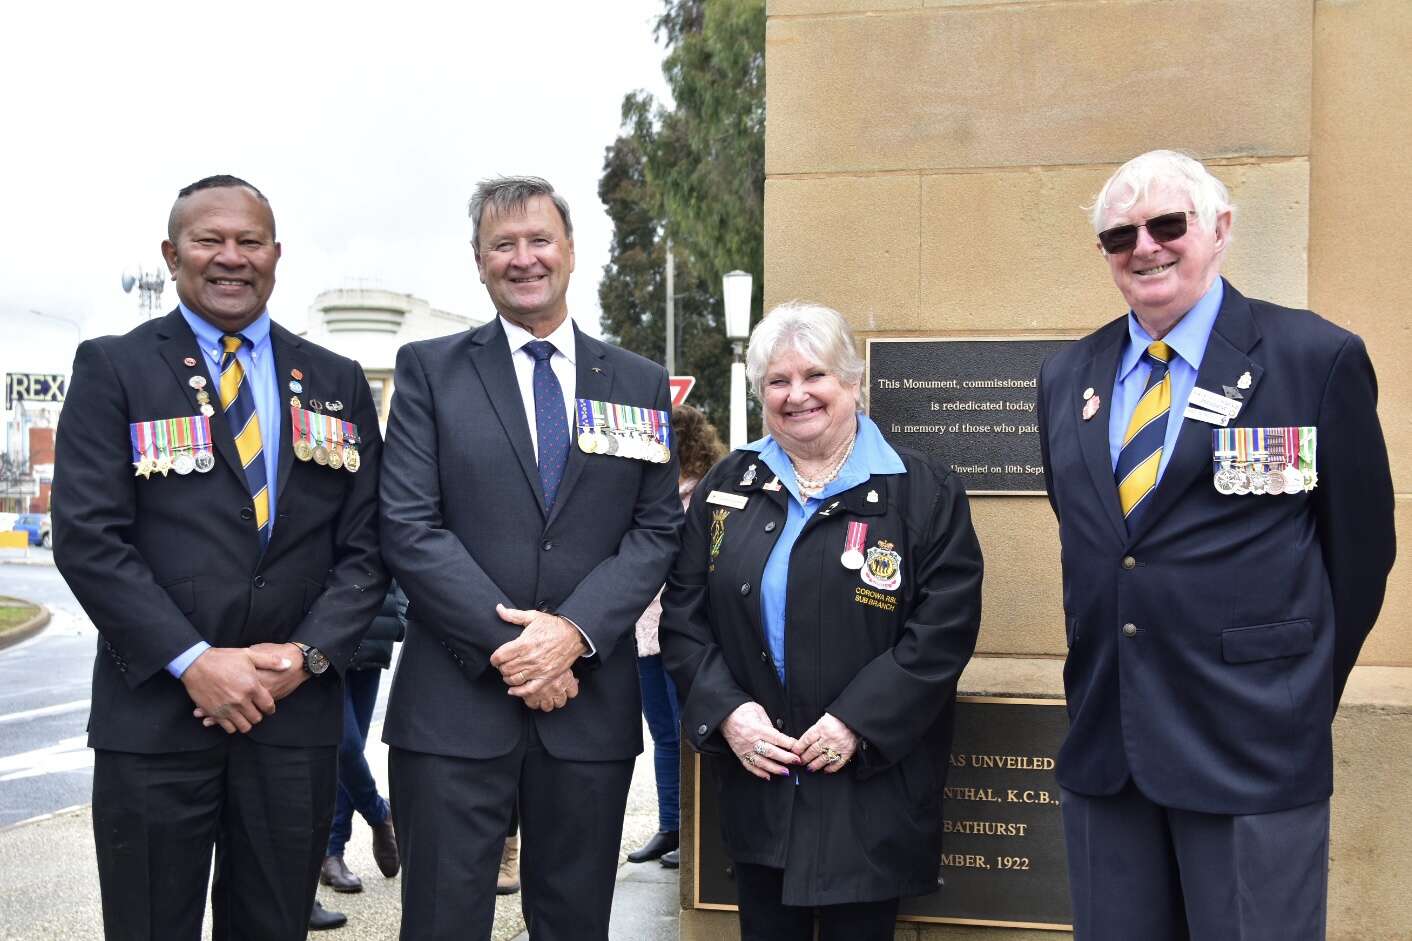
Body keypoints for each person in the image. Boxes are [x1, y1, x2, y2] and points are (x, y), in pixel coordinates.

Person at [1036, 150, 1396, 940]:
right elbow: (1100, 543)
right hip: (1109, 749)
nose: (1145, 247)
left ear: (1221, 230)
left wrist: (1291, 691)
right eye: (1118, 235)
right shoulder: (1067, 376)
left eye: (1169, 224)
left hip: (1251, 748)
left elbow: (1361, 554)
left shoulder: (1313, 359)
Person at [52, 175, 386, 940]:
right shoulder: (115, 368)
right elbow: (89, 538)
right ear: (172, 254)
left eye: (250, 240)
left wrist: (305, 656)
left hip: (292, 721)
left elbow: (367, 548)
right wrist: (195, 660)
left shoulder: (334, 382)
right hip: (158, 721)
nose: (231, 257)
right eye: (209, 240)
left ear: (276, 254)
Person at [379, 175, 681, 941]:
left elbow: (654, 532)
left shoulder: (638, 382)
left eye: (539, 239)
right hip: (452, 708)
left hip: (588, 708)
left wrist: (572, 634)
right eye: (502, 244)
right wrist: (518, 649)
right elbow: (409, 524)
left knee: (574, 924)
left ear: (572, 251)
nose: (524, 258)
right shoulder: (429, 370)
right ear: (478, 262)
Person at [660, 301, 984, 941]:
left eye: (815, 377)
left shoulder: (922, 490)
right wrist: (730, 713)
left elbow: (943, 631)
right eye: (777, 382)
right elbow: (684, 613)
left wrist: (855, 723)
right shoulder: (731, 483)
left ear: (853, 382)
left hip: (867, 787)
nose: (796, 395)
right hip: (763, 777)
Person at [626, 404, 726, 870]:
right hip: (643, 632)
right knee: (664, 734)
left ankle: (699, 831)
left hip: (684, 632)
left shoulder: (707, 491)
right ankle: (670, 826)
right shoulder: (643, 491)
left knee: (694, 731)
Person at [320, 582, 405, 892]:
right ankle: (380, 814)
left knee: (349, 756)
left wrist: (399, 616)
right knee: (345, 747)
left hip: (374, 632)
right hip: (324, 635)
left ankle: (333, 852)